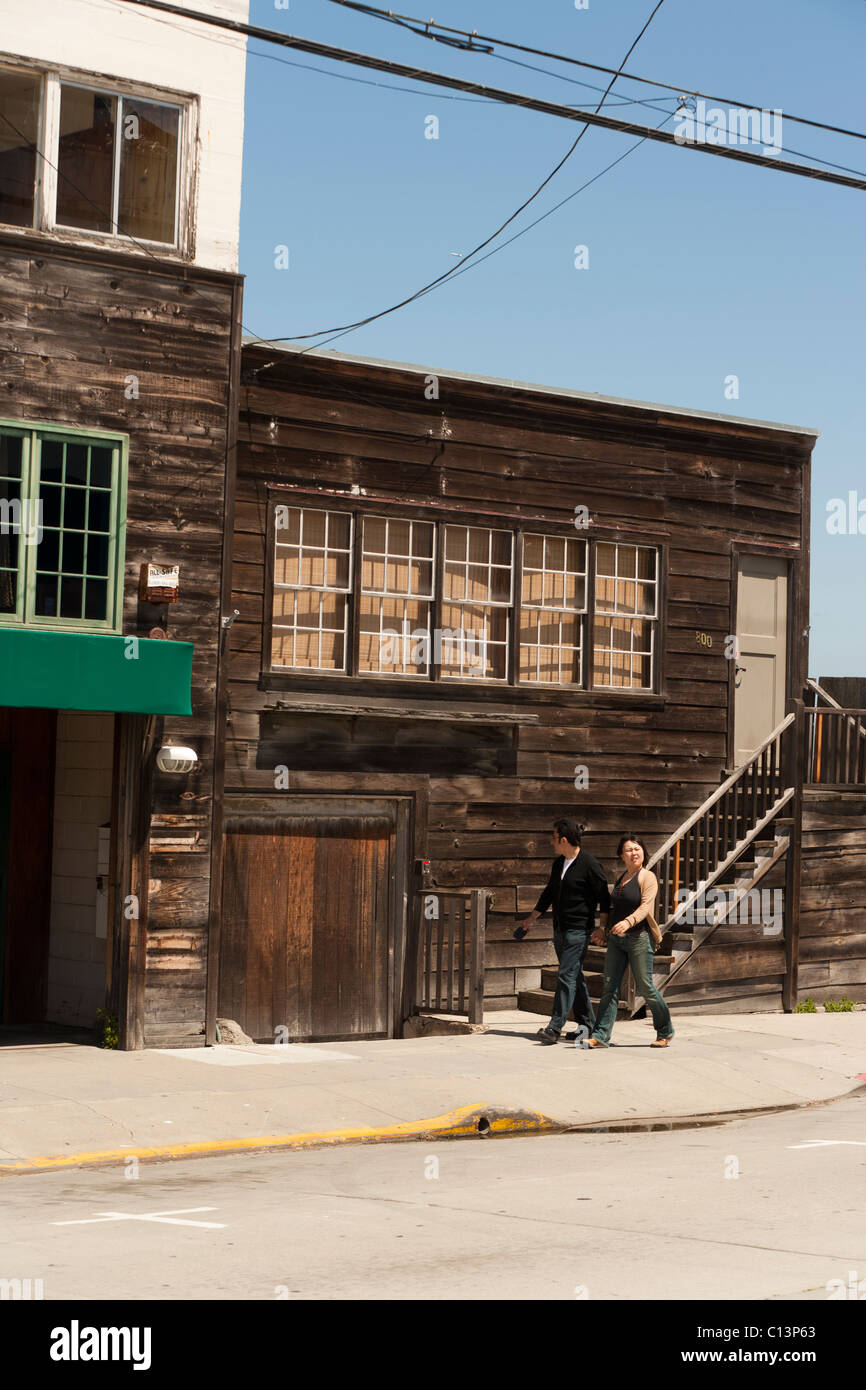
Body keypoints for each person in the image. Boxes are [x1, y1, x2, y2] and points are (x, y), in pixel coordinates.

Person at [520, 818, 610, 1045]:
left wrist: (602, 927)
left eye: (553, 838)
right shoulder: (559, 863)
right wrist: (532, 918)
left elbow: (604, 898)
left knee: (565, 975)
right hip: (560, 929)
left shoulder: (589, 864)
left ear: (563, 839)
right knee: (574, 977)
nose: (551, 843)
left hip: (579, 930)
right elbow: (549, 893)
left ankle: (554, 1027)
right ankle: (587, 1026)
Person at [587, 834, 674, 1049]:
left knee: (645, 987)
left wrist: (628, 922)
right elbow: (614, 909)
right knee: (610, 987)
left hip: (639, 938)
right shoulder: (621, 878)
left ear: (643, 852)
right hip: (617, 940)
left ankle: (665, 1030)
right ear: (621, 855)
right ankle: (601, 1036)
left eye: (637, 848)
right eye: (629, 850)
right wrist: (604, 930)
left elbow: (645, 907)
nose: (634, 853)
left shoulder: (648, 877)